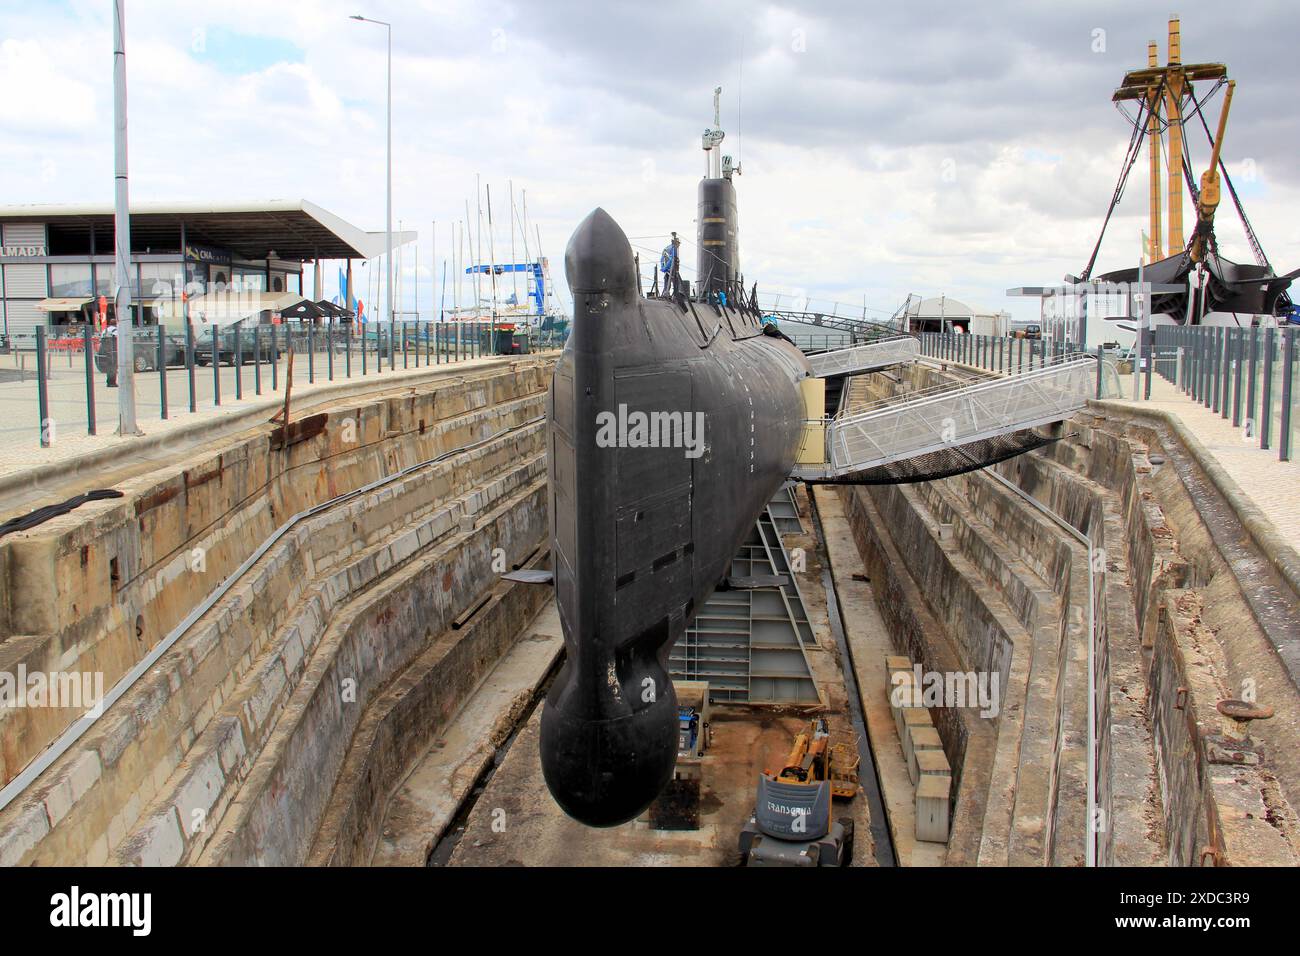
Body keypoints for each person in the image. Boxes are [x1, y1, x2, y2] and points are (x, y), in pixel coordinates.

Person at [102, 319, 118, 388]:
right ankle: (112, 382)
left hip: (106, 351)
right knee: (113, 367)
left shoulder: (105, 330)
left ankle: (108, 381)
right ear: (115, 324)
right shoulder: (116, 330)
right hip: (113, 351)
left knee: (109, 367)